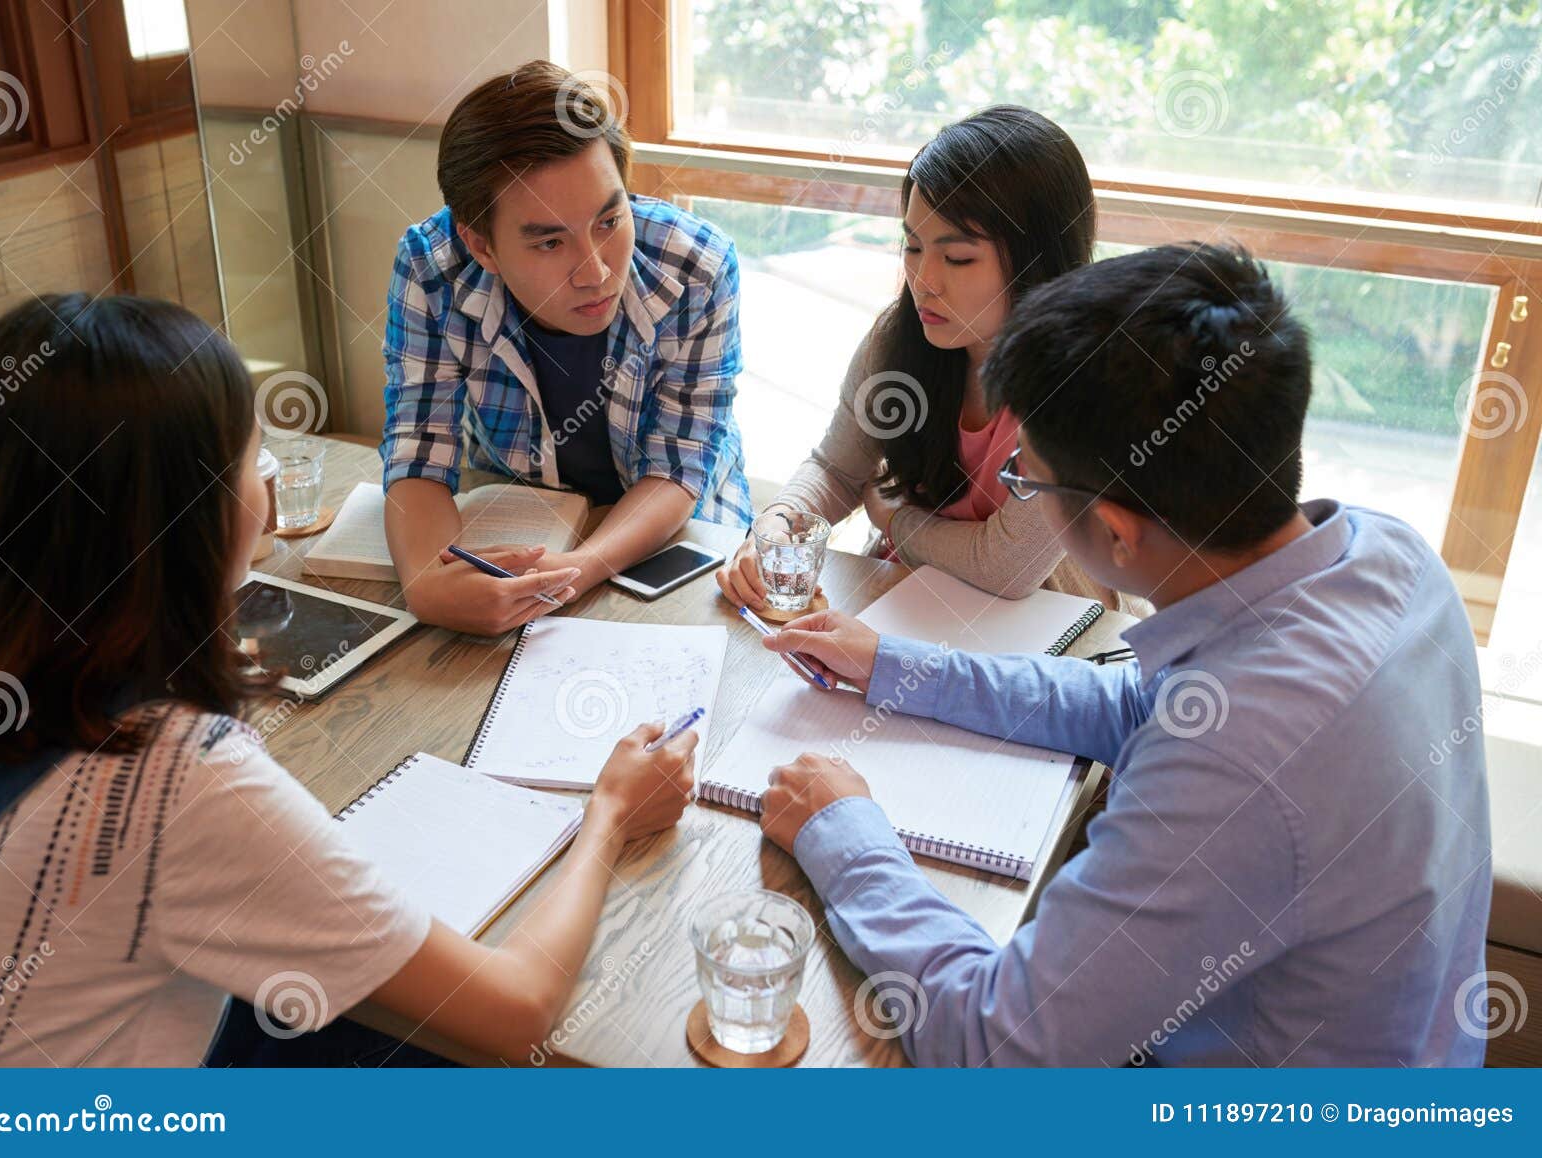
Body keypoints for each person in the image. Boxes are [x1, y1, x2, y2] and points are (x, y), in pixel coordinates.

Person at [753, 244, 1492, 1066]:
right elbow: (1140, 706)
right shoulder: (1386, 554)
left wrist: (844, 834)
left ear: (1113, 531)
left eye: (1027, 480)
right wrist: (894, 664)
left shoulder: (1243, 755)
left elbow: (995, 1047)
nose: (1019, 485)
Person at [0, 294, 696, 1067]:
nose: (265, 489)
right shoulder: (172, 776)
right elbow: (518, 1012)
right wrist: (608, 818)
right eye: (252, 452)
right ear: (189, 510)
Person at [383, 60, 751, 637]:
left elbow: (678, 468)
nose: (596, 271)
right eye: (551, 241)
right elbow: (419, 448)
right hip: (527, 513)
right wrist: (425, 584)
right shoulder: (433, 268)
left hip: (678, 521)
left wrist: (578, 570)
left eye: (610, 219)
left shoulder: (696, 268)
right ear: (481, 245)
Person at [716, 106, 1124, 612]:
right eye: (912, 246)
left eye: (957, 258)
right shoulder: (900, 337)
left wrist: (893, 517)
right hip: (915, 599)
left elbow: (1008, 567)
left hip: (1049, 618)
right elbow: (837, 469)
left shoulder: (1082, 378)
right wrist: (775, 525)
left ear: (1039, 258)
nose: (923, 281)